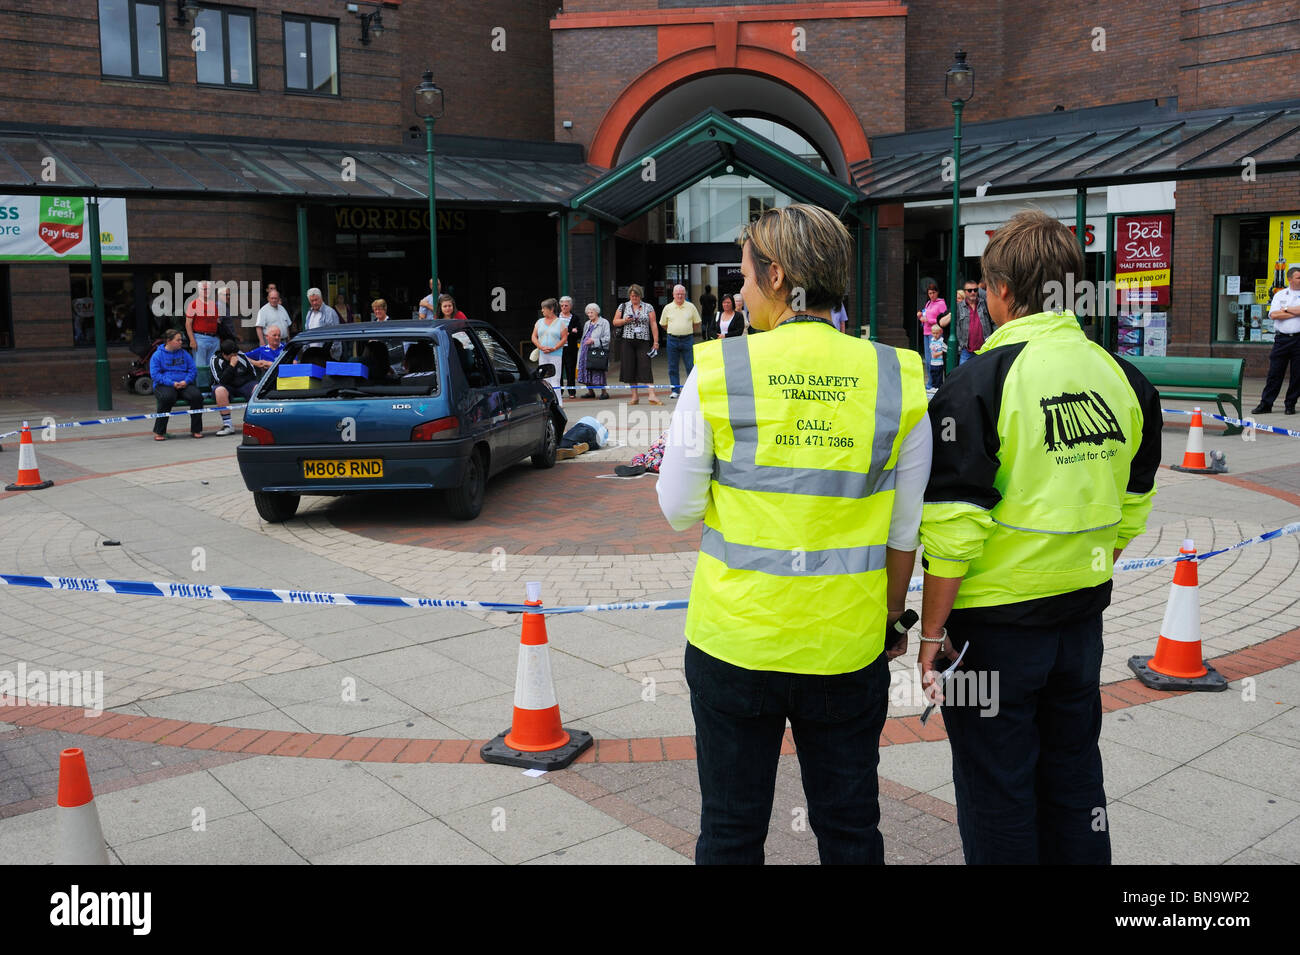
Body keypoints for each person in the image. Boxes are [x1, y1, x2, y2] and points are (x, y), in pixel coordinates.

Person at [657, 203, 931, 864]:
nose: (740, 293)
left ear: (778, 276)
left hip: (736, 640)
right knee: (850, 830)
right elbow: (905, 533)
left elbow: (677, 507)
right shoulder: (897, 377)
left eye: (746, 277)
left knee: (729, 829)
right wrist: (893, 622)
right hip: (844, 645)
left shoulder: (719, 371)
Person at [919, 209, 1162, 865]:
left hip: (991, 628)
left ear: (999, 293)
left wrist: (931, 636)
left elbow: (951, 531)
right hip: (1080, 620)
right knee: (1075, 780)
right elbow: (1133, 504)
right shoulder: (1126, 380)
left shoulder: (974, 385)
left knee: (997, 791)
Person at [1252, 266, 1300, 414]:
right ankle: (1266, 404)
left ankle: (1290, 405)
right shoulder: (1280, 295)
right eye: (1298, 277)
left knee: (1297, 375)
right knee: (1275, 373)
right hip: (1281, 340)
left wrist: (1285, 309)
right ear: (1290, 279)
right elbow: (1273, 315)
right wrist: (1294, 311)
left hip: (1298, 340)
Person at [150, 329, 205, 440]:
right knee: (167, 398)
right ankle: (159, 431)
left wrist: (186, 381)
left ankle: (196, 429)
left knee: (197, 397)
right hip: (164, 385)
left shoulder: (184, 354)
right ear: (169, 341)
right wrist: (172, 383)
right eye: (178, 340)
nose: (181, 342)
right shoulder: (157, 355)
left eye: (181, 340)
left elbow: (192, 370)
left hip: (184, 384)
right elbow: (155, 375)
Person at [611, 284, 660, 405]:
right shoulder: (623, 306)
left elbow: (653, 324)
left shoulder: (648, 307)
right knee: (629, 367)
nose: (634, 298)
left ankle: (652, 395)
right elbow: (615, 321)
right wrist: (624, 321)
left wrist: (656, 341)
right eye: (632, 296)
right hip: (627, 340)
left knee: (645, 366)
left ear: (640, 296)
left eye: (636, 296)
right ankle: (634, 396)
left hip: (643, 340)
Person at [659, 284, 702, 399]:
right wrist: (675, 329)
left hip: (687, 339)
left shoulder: (691, 307)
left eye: (682, 294)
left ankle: (692, 391)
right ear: (673, 295)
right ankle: (675, 390)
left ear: (685, 295)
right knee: (673, 367)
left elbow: (697, 323)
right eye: (677, 294)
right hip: (672, 339)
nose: (679, 296)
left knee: (690, 366)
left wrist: (686, 329)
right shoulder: (667, 308)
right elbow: (663, 324)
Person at [209, 339, 258, 436]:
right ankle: (228, 425)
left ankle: (256, 423)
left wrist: (239, 381)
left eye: (235, 354)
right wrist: (231, 366)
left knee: (257, 387)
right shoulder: (215, 360)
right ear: (224, 354)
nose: (235, 357)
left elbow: (252, 375)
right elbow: (221, 380)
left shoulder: (241, 356)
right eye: (232, 355)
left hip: (242, 385)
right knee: (220, 390)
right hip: (226, 386)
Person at [939, 279, 993, 366]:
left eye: (975, 290)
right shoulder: (958, 307)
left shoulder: (985, 304)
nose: (973, 292)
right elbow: (942, 323)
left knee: (982, 377)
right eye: (969, 290)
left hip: (984, 349)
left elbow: (993, 322)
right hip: (966, 351)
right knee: (964, 377)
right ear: (965, 292)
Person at [532, 297, 567, 405]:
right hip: (543, 354)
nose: (542, 310)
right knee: (544, 378)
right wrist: (540, 347)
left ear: (551, 309)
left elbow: (564, 338)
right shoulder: (539, 322)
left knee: (555, 378)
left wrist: (555, 348)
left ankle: (559, 403)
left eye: (544, 308)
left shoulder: (560, 323)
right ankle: (546, 401)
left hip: (555, 354)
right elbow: (534, 336)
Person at [185, 280, 222, 375]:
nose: (206, 291)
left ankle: (211, 388)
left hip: (214, 339)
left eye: (208, 289)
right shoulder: (193, 304)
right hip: (200, 338)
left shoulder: (213, 304)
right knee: (200, 366)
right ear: (199, 290)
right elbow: (188, 323)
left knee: (213, 366)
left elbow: (217, 321)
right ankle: (201, 389)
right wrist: (192, 340)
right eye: (204, 289)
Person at [577, 302, 611, 400]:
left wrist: (593, 341)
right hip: (585, 351)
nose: (589, 314)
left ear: (597, 312)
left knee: (598, 371)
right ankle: (590, 391)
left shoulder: (604, 322)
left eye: (591, 312)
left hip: (597, 351)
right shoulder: (587, 323)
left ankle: (604, 392)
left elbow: (607, 339)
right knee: (586, 370)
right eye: (588, 313)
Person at [559, 296, 583, 398]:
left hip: (570, 348)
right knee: (558, 371)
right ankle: (559, 392)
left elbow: (579, 333)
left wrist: (570, 333)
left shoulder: (575, 317)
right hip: (558, 348)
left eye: (566, 305)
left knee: (570, 370)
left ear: (570, 306)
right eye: (562, 305)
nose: (564, 307)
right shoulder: (556, 317)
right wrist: (571, 331)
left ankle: (571, 392)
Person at [927, 322, 948, 389]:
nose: (935, 335)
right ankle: (933, 386)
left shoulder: (941, 340)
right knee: (933, 374)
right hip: (933, 362)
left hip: (939, 362)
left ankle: (938, 387)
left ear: (940, 332)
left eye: (937, 333)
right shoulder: (932, 340)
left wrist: (937, 354)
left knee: (939, 375)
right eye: (933, 333)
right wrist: (933, 354)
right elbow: (931, 349)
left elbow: (944, 350)